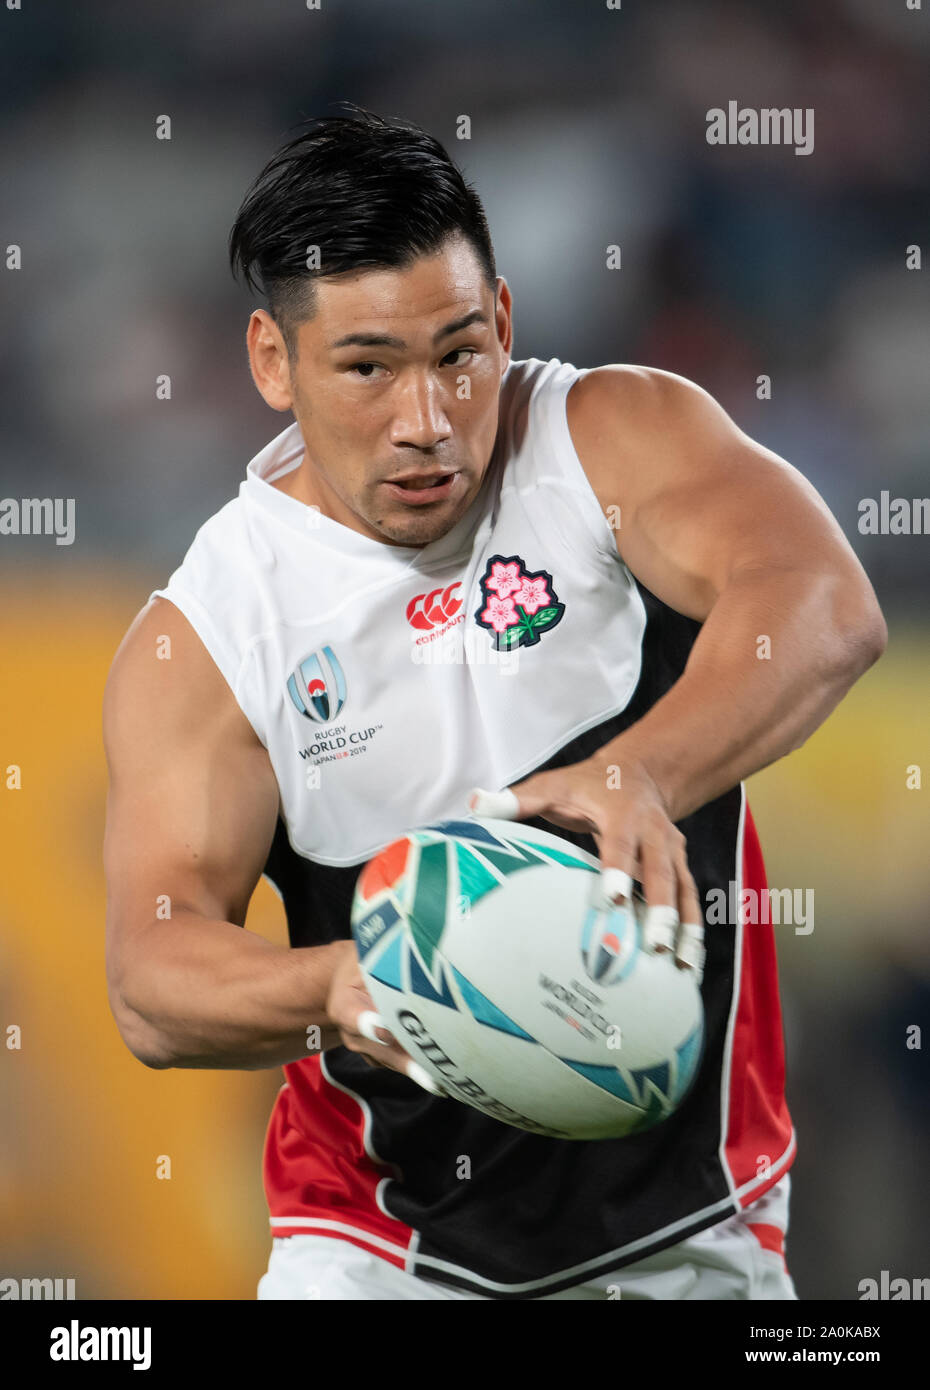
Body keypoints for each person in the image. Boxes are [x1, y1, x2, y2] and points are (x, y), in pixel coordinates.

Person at [102, 107, 886, 1300]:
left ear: (505, 319)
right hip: (378, 1249)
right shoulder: (211, 635)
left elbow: (826, 602)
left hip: (690, 1233)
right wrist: (334, 989)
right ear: (273, 361)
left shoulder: (612, 439)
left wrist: (643, 770)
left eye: (458, 354)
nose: (427, 421)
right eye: (367, 367)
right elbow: (152, 974)